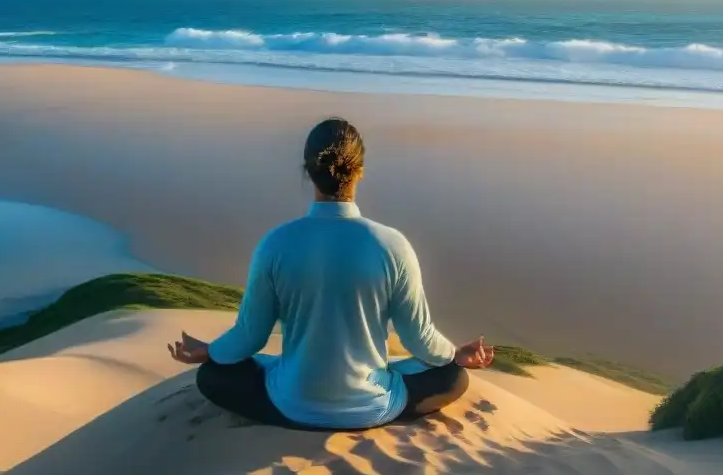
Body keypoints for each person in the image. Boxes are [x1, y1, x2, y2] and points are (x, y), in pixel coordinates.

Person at [167, 117, 495, 430]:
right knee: (454, 377)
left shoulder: (276, 244)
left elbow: (251, 336)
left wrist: (210, 351)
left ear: (308, 172)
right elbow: (418, 339)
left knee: (212, 376)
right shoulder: (392, 246)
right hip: (374, 406)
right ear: (361, 172)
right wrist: (454, 354)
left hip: (290, 404)